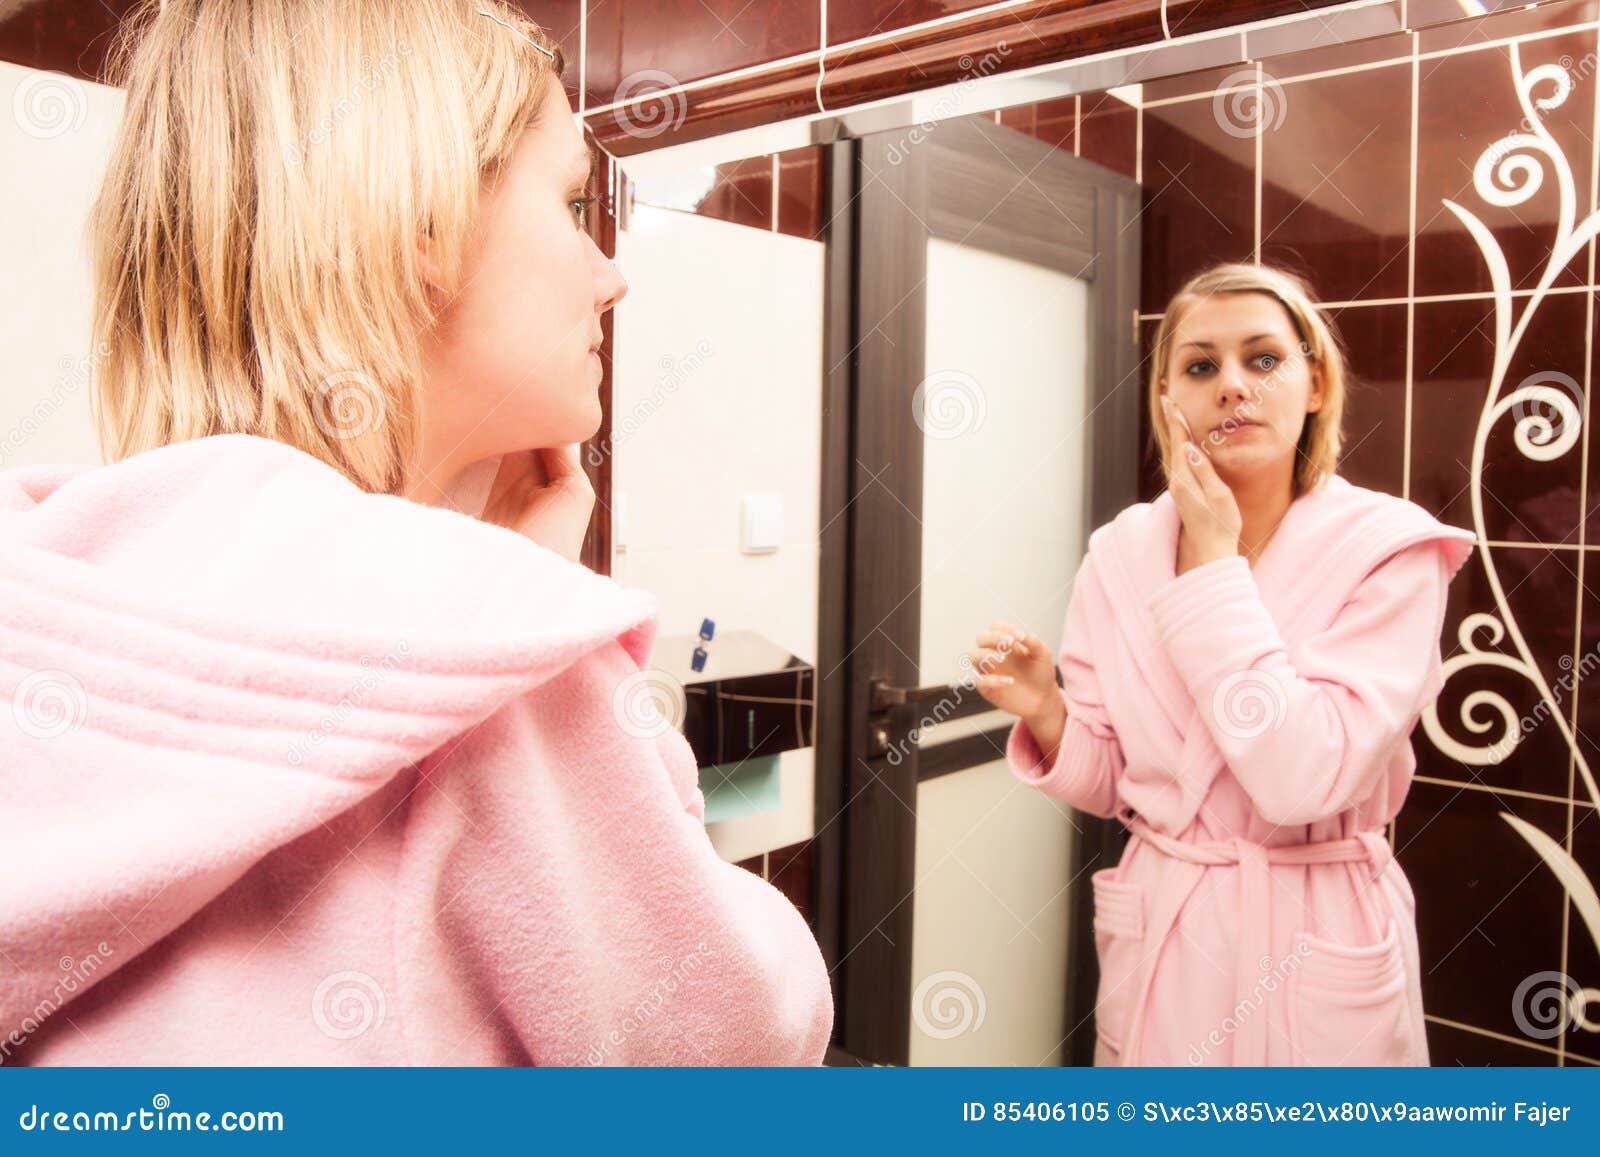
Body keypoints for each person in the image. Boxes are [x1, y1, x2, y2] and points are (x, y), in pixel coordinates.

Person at [0, 0, 832, 1066]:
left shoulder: (58, 585)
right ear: (423, 224)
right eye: (573, 201)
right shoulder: (494, 668)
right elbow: (734, 1044)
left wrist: (497, 583)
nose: (610, 276)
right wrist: (518, 617)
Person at [972, 262, 1475, 1066]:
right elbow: (1122, 783)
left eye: (1263, 359)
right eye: (1201, 365)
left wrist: (1211, 569)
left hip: (1316, 934)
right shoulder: (1122, 554)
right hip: (1170, 934)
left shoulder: (1389, 551)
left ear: (1314, 382)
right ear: (1169, 395)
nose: (1232, 386)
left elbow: (1306, 776)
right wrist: (1048, 713)